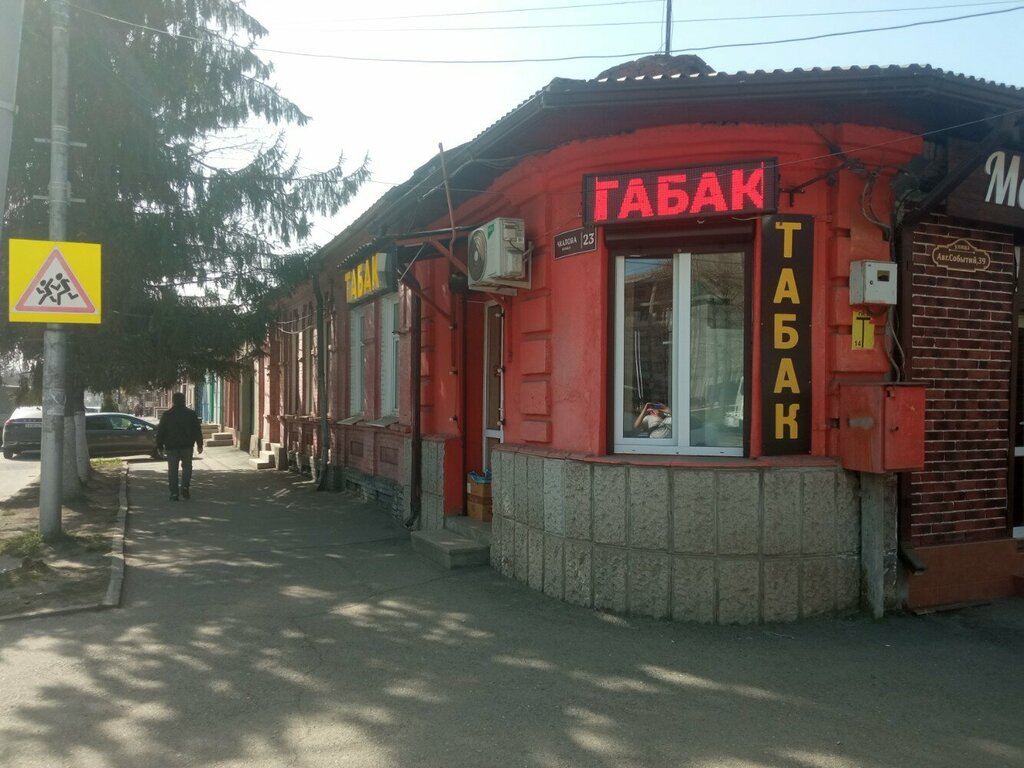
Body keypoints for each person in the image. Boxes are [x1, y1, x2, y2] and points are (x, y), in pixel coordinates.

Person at [156, 392, 204, 500]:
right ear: (184, 401)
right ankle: (185, 487)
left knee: (172, 470)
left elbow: (161, 431)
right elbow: (197, 430)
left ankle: (174, 493)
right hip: (187, 446)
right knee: (187, 468)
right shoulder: (191, 414)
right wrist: (199, 444)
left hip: (171, 447)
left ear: (173, 401)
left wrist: (159, 446)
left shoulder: (167, 415)